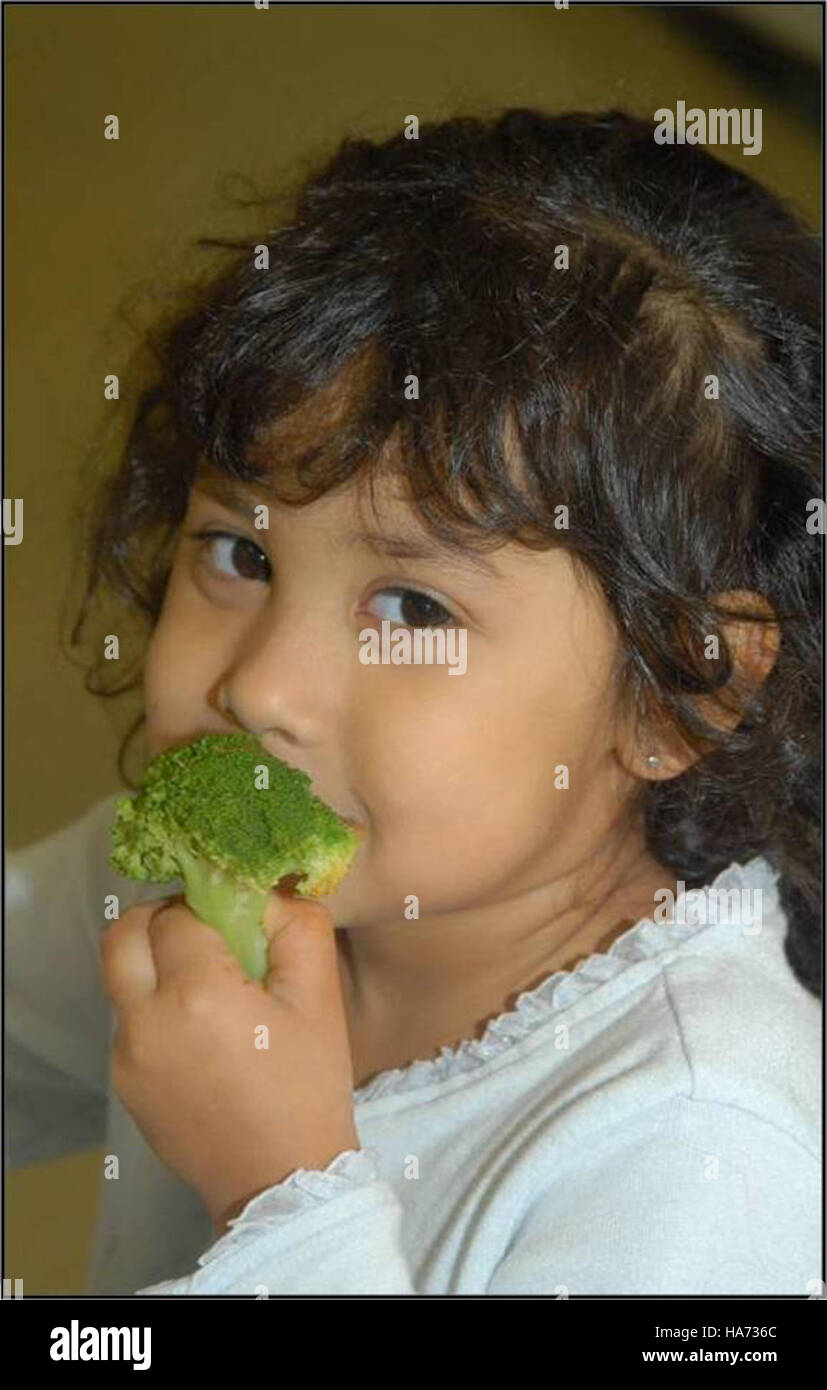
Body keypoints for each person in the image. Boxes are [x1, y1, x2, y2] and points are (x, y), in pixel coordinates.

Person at [7, 108, 821, 1296]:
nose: (261, 688)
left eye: (414, 610)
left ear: (677, 691)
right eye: (240, 554)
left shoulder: (704, 1146)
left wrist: (278, 1202)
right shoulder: (193, 879)